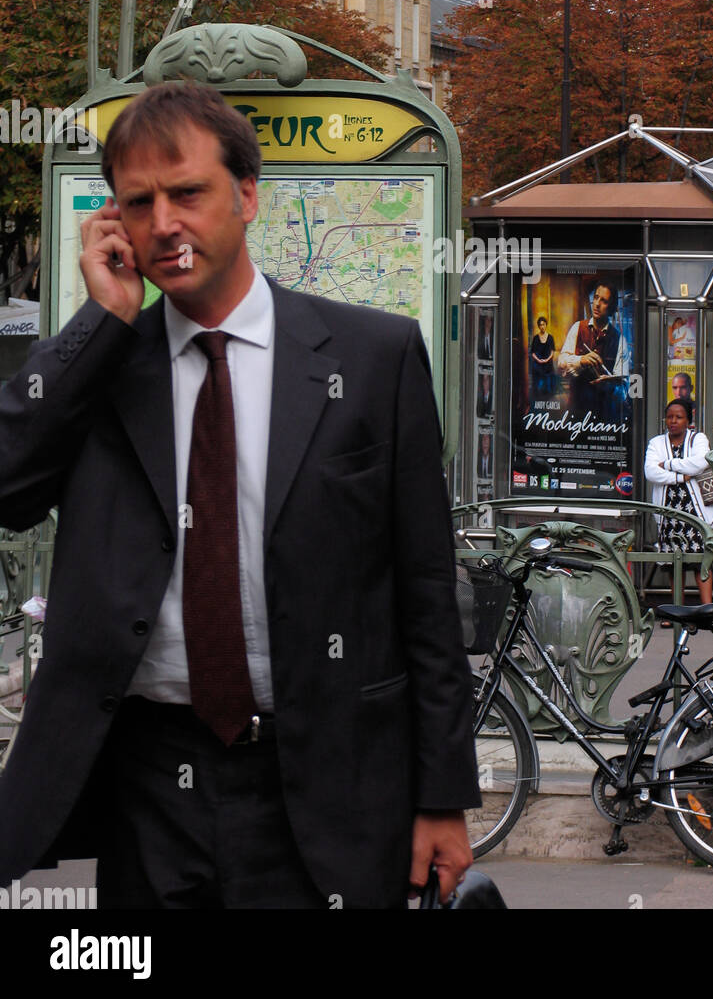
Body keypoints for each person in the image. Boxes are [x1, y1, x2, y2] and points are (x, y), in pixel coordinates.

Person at [0, 82, 479, 907]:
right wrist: (100, 321)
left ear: (247, 195)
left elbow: (424, 592)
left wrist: (442, 797)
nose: (163, 224)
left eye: (187, 192)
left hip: (328, 777)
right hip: (150, 786)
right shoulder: (100, 370)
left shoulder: (371, 357)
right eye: (138, 202)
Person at [644, 398, 713, 616]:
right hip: (669, 513)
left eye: (679, 417)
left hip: (696, 512)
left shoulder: (698, 439)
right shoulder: (657, 443)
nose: (673, 421)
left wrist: (667, 464)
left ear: (688, 421)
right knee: (675, 565)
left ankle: (706, 611)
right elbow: (650, 472)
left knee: (702, 560)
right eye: (670, 417)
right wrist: (680, 477)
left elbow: (700, 463)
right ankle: (679, 615)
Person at [557, 280, 629, 420]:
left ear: (612, 307)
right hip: (575, 411)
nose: (597, 304)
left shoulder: (620, 341)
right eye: (596, 297)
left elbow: (624, 389)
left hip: (605, 415)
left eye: (604, 301)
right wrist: (580, 360)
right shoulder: (577, 328)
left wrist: (609, 385)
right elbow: (561, 363)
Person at [529, 316, 556, 397]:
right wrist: (539, 360)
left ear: (546, 325)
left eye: (543, 324)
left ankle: (548, 394)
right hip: (538, 364)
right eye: (540, 325)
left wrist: (547, 360)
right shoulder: (535, 338)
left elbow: (552, 351)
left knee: (548, 386)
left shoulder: (550, 337)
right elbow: (533, 352)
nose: (542, 326)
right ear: (538, 326)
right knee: (537, 388)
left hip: (548, 363)